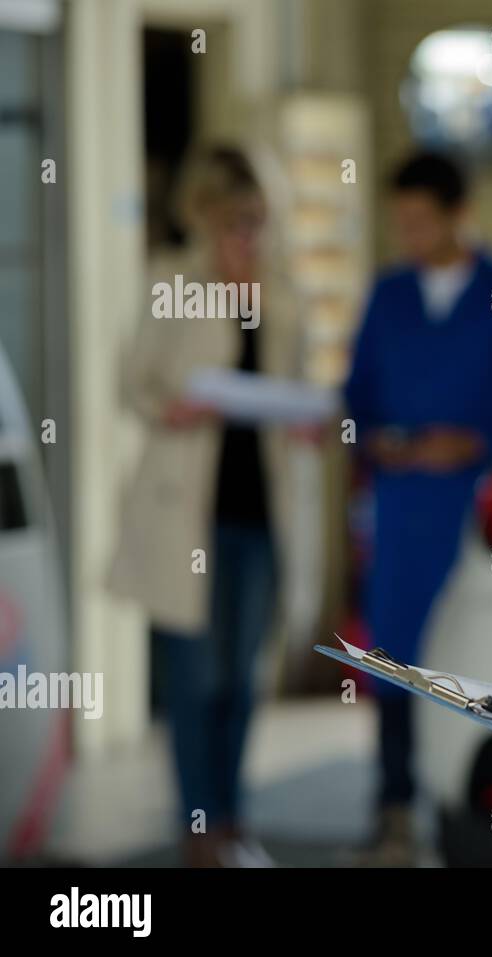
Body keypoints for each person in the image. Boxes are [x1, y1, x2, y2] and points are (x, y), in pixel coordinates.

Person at [343, 151, 492, 865]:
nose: (409, 235)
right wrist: (384, 441)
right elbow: (356, 394)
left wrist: (477, 443)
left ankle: (481, 809)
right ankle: (394, 808)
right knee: (393, 657)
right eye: (399, 222)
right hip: (402, 506)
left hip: (477, 512)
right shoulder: (388, 296)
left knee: (475, 654)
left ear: (458, 214)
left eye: (421, 221)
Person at [110, 145, 311, 867]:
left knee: (242, 680)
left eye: (256, 221)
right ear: (204, 221)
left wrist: (312, 420)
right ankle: (199, 827)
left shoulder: (284, 296)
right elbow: (132, 383)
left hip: (260, 515)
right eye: (232, 223)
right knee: (193, 680)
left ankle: (231, 821)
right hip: (182, 513)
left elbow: (300, 393)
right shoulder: (172, 281)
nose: (245, 237)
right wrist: (177, 406)